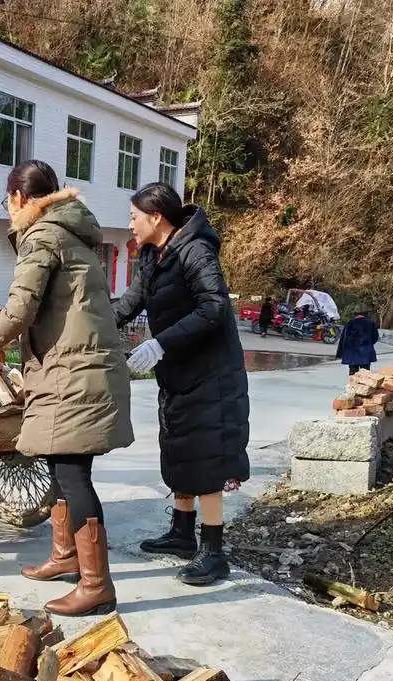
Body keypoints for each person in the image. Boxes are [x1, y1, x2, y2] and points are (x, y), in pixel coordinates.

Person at [0, 160, 134, 617]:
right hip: (81, 367)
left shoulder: (43, 237)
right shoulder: (73, 235)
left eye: (8, 201)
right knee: (65, 467)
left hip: (73, 373)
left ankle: (96, 585)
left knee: (71, 473)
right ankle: (66, 556)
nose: (9, 210)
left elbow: (21, 306)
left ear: (21, 199)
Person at [116, 183, 250, 586]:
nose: (130, 224)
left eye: (134, 217)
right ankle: (181, 533)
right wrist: (91, 326)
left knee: (206, 457)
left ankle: (213, 552)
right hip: (180, 373)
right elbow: (129, 304)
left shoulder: (195, 249)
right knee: (180, 449)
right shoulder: (155, 257)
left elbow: (214, 307)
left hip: (212, 374)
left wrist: (161, 342)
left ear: (156, 217)